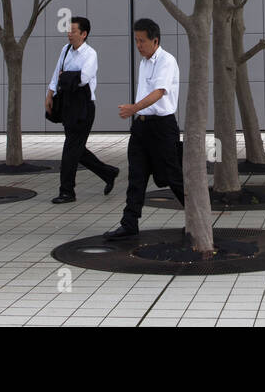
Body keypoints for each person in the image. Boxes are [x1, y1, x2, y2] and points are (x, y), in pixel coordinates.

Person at [103, 18, 184, 239]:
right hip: (141, 127)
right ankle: (129, 223)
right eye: (136, 40)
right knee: (136, 176)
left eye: (142, 41)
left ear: (155, 40)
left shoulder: (167, 61)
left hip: (163, 127)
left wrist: (134, 108)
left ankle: (197, 219)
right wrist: (137, 113)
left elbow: (159, 92)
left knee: (173, 176)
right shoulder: (144, 61)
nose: (138, 45)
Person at [45, 16, 119, 203]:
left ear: (84, 34)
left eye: (73, 31)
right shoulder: (66, 49)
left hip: (84, 107)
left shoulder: (90, 54)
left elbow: (84, 78)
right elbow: (57, 72)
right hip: (68, 103)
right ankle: (108, 172)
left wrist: (65, 77)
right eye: (68, 31)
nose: (69, 34)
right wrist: (50, 93)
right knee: (76, 148)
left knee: (70, 149)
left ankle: (67, 191)